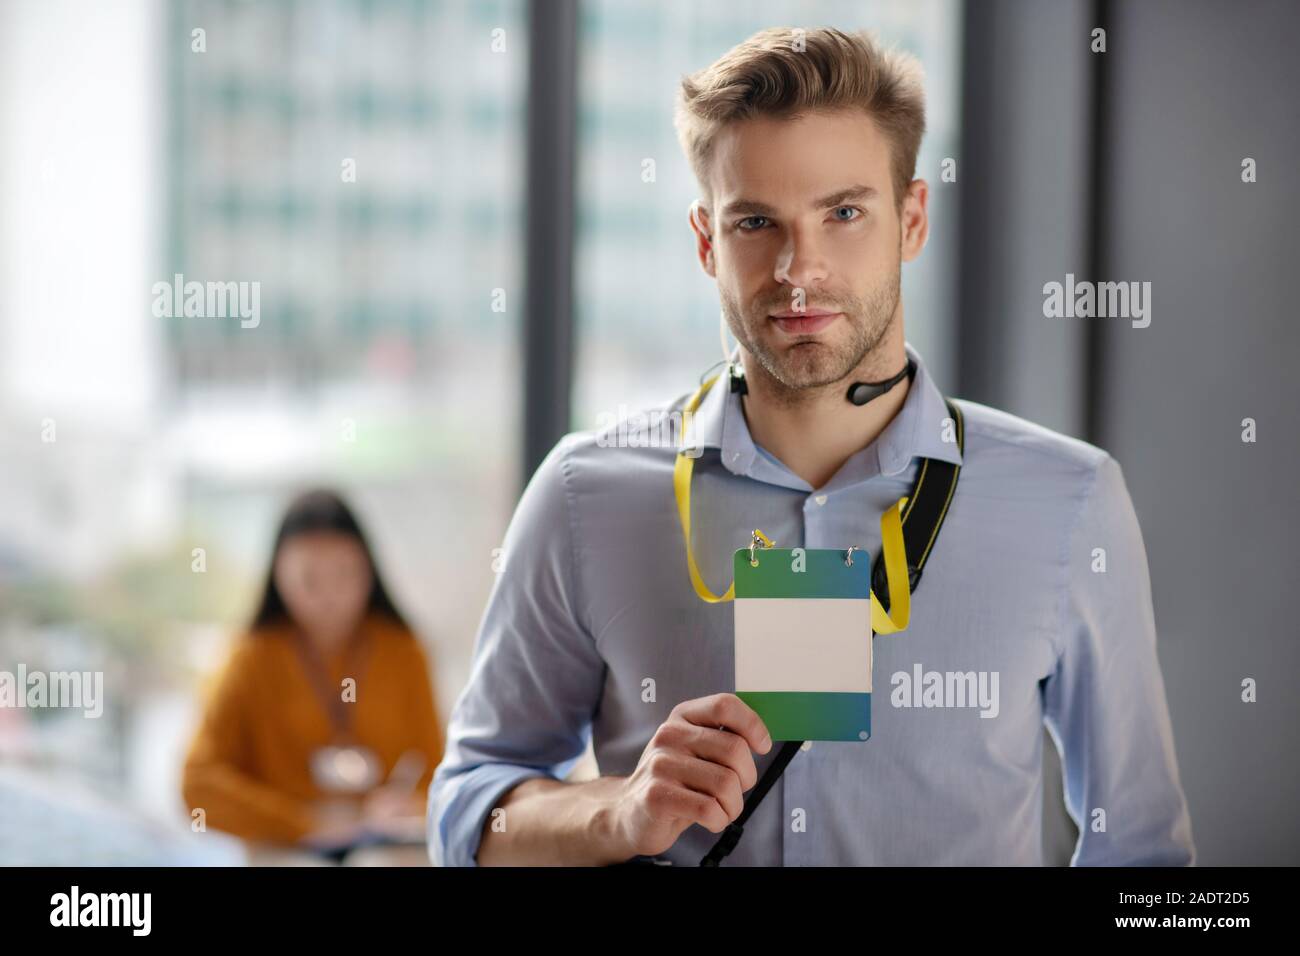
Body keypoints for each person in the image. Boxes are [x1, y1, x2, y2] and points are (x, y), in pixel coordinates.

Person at [428, 27, 1195, 866]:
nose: (800, 268)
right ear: (705, 241)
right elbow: (468, 811)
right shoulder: (584, 493)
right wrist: (614, 813)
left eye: (844, 212)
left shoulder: (1070, 501)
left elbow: (1145, 859)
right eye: (756, 220)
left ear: (911, 219)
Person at [183, 489, 444, 856]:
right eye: (309, 580)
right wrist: (299, 822)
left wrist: (412, 806)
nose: (329, 597)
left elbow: (441, 774)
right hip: (285, 849)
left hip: (385, 844)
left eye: (345, 576)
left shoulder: (404, 651)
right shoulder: (251, 658)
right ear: (278, 576)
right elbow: (197, 784)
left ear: (369, 570)